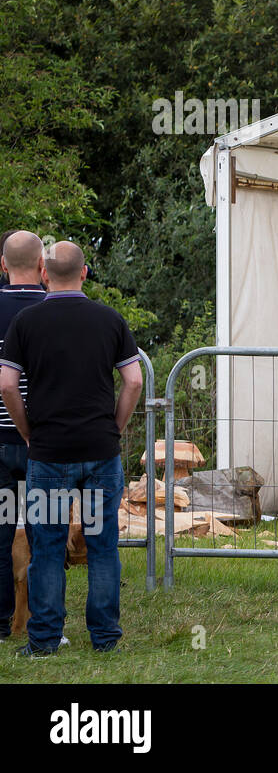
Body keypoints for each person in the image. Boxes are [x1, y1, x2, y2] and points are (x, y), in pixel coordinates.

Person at [0, 241, 142, 656]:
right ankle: (105, 638)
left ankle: (43, 640)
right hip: (100, 451)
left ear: (46, 273)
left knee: (46, 546)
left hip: (48, 453)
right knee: (101, 544)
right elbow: (133, 381)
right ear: (84, 273)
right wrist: (114, 427)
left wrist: (27, 430)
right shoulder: (110, 320)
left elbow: (7, 385)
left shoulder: (26, 322)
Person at [0, 232, 47, 641]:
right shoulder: (54, 311)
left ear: (2, 265)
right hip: (40, 444)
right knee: (42, 533)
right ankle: (43, 623)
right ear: (42, 267)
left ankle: (1, 624)